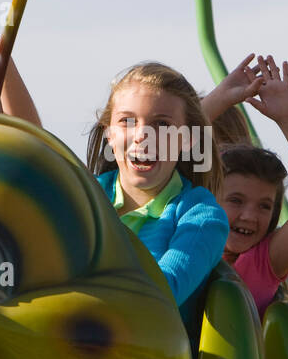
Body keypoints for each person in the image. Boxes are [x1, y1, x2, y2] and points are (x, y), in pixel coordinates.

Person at [85, 63, 228, 325]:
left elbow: (159, 295)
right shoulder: (81, 197)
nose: (142, 135)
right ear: (109, 133)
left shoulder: (201, 217)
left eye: (161, 124)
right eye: (127, 121)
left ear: (187, 139)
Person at [202, 54, 288, 317]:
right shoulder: (182, 241)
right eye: (236, 200)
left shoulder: (265, 261)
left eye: (265, 206)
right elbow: (162, 155)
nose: (250, 216)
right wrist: (221, 98)